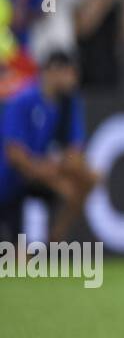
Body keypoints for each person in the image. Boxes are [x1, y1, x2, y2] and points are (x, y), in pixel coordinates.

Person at [0, 50, 100, 244]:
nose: (74, 80)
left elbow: (75, 150)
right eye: (70, 73)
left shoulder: (69, 103)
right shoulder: (23, 100)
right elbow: (14, 155)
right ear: (53, 71)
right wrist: (52, 176)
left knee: (87, 178)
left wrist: (61, 168)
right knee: (19, 263)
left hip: (43, 173)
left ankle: (55, 238)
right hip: (11, 182)